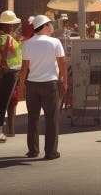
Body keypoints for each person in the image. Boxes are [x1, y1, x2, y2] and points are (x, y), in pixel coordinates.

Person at [18, 14, 67, 159]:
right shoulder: (55, 42)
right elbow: (62, 63)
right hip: (50, 84)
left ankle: (33, 150)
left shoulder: (27, 43)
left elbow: (24, 67)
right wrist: (64, 81)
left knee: (32, 118)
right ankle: (51, 151)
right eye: (50, 24)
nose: (52, 27)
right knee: (51, 118)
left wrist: (21, 85)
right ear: (45, 26)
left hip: (32, 84)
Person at [0, 10, 22, 141]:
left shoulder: (4, 37)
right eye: (11, 25)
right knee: (3, 102)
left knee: (4, 101)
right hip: (8, 73)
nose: (12, 27)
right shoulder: (6, 38)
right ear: (6, 25)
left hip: (9, 72)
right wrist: (5, 67)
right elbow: (3, 55)